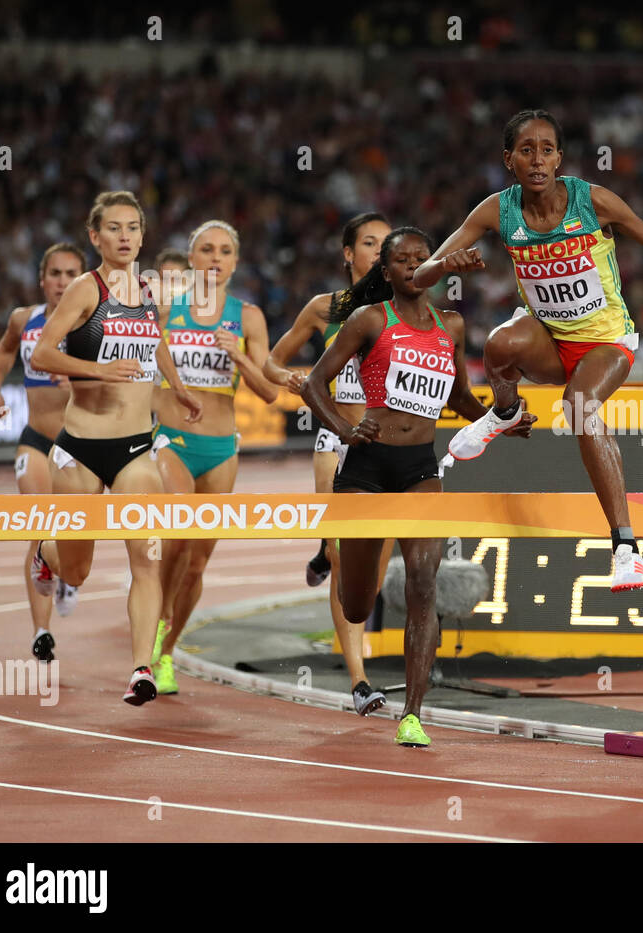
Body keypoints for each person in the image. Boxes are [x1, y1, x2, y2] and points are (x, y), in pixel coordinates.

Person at [413, 109, 643, 591]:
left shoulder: (594, 202)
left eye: (547, 149)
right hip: (547, 339)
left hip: (605, 343)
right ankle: (503, 413)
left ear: (560, 158)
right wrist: (445, 265)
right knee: (499, 343)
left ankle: (626, 547)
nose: (537, 159)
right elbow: (418, 275)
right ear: (509, 160)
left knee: (580, 406)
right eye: (526, 150)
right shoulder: (495, 211)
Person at [302, 226, 535, 746]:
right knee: (358, 603)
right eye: (402, 261)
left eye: (421, 259)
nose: (412, 267)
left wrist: (504, 417)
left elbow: (459, 399)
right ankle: (335, 566)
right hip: (365, 468)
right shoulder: (369, 319)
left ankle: (412, 713)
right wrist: (344, 429)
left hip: (419, 470)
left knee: (423, 585)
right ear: (385, 272)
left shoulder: (450, 325)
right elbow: (316, 384)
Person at [29, 190, 203, 705]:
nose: (125, 237)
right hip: (80, 447)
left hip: (134, 446)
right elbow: (42, 354)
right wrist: (97, 370)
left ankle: (140, 668)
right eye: (114, 228)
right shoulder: (86, 290)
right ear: (95, 236)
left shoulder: (150, 289)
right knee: (76, 570)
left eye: (133, 228)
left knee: (146, 557)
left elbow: (157, 340)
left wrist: (177, 386)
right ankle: (46, 552)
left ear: (143, 236)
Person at [264, 212, 397, 714]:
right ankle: (360, 682)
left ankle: (323, 547)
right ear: (348, 254)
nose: (379, 251)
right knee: (346, 559)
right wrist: (293, 379)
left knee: (371, 577)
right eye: (369, 243)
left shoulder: (403, 308)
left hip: (388, 444)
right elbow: (272, 362)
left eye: (387, 243)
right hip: (336, 437)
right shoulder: (326, 308)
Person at [148, 220, 278, 695]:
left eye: (225, 251)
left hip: (222, 449)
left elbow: (267, 393)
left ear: (235, 262)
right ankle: (155, 621)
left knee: (199, 563)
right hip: (173, 440)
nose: (215, 258)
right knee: (178, 539)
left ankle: (167, 652)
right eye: (206, 249)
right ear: (192, 259)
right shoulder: (166, 306)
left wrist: (240, 357)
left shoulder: (248, 317)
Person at [0, 243, 86, 659]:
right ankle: (41, 632)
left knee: (74, 533)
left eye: (71, 274)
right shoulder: (24, 319)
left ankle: (64, 577)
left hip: (78, 445)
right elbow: (7, 349)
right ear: (42, 279)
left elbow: (119, 380)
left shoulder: (90, 324)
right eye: (56, 274)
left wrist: (78, 380)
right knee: (40, 523)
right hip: (36, 439)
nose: (63, 282)